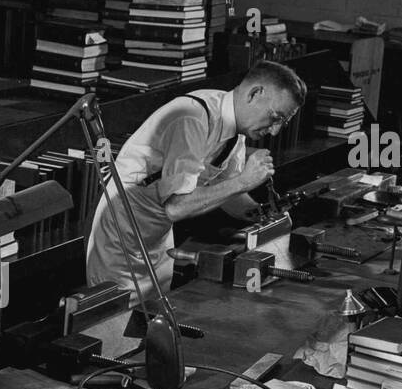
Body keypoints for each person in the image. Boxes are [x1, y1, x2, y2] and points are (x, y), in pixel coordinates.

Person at [85, 60, 305, 302]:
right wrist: (244, 181)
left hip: (157, 230)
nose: (274, 131)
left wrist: (261, 213)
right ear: (254, 94)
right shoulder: (192, 117)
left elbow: (225, 192)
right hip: (123, 227)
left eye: (282, 123)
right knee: (117, 321)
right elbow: (177, 207)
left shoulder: (235, 133)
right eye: (275, 117)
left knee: (155, 312)